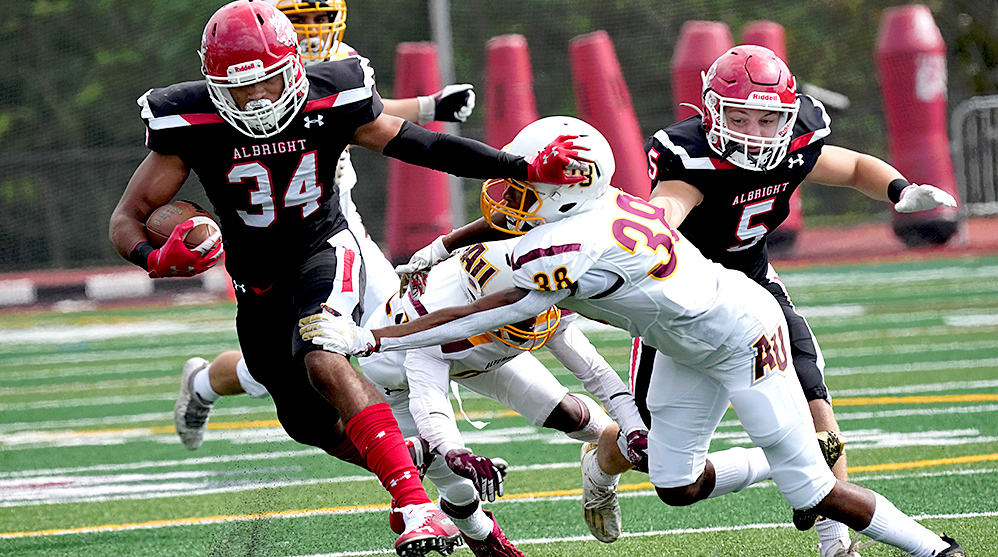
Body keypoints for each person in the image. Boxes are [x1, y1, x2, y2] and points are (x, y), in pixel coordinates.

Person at [298, 116, 967, 557]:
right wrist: (442, 244)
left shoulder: (569, 244)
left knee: (813, 492)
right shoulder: (604, 203)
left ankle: (937, 549)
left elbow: (489, 309)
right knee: (676, 484)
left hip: (741, 334)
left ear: (565, 194)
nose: (514, 194)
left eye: (530, 185)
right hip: (685, 346)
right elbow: (507, 241)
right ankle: (772, 462)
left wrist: (370, 340)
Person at [107, 2, 586, 556]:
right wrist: (151, 256)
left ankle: (415, 502)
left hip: (324, 248)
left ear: (292, 68)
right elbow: (128, 216)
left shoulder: (333, 93)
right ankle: (422, 470)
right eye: (242, 89)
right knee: (308, 424)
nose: (258, 100)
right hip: (255, 277)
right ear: (214, 87)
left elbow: (423, 145)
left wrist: (516, 167)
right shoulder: (190, 121)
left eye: (267, 82)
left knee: (325, 353)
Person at [173, 0, 477, 453]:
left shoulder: (342, 62)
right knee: (300, 359)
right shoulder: (244, 70)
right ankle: (424, 451)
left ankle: (422, 448)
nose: (313, 29)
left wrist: (430, 107)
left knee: (370, 332)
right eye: (301, 19)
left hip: (335, 221)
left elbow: (371, 112)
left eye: (320, 17)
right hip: (271, 232)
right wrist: (430, 103)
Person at [359, 236, 648, 555]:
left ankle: (599, 470)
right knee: (459, 489)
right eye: (515, 310)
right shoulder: (437, 319)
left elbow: (594, 371)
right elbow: (430, 400)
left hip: (475, 347)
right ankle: (484, 537)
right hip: (396, 370)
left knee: (569, 413)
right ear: (482, 302)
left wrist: (633, 426)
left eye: (531, 304)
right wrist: (455, 451)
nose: (529, 317)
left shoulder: (540, 288)